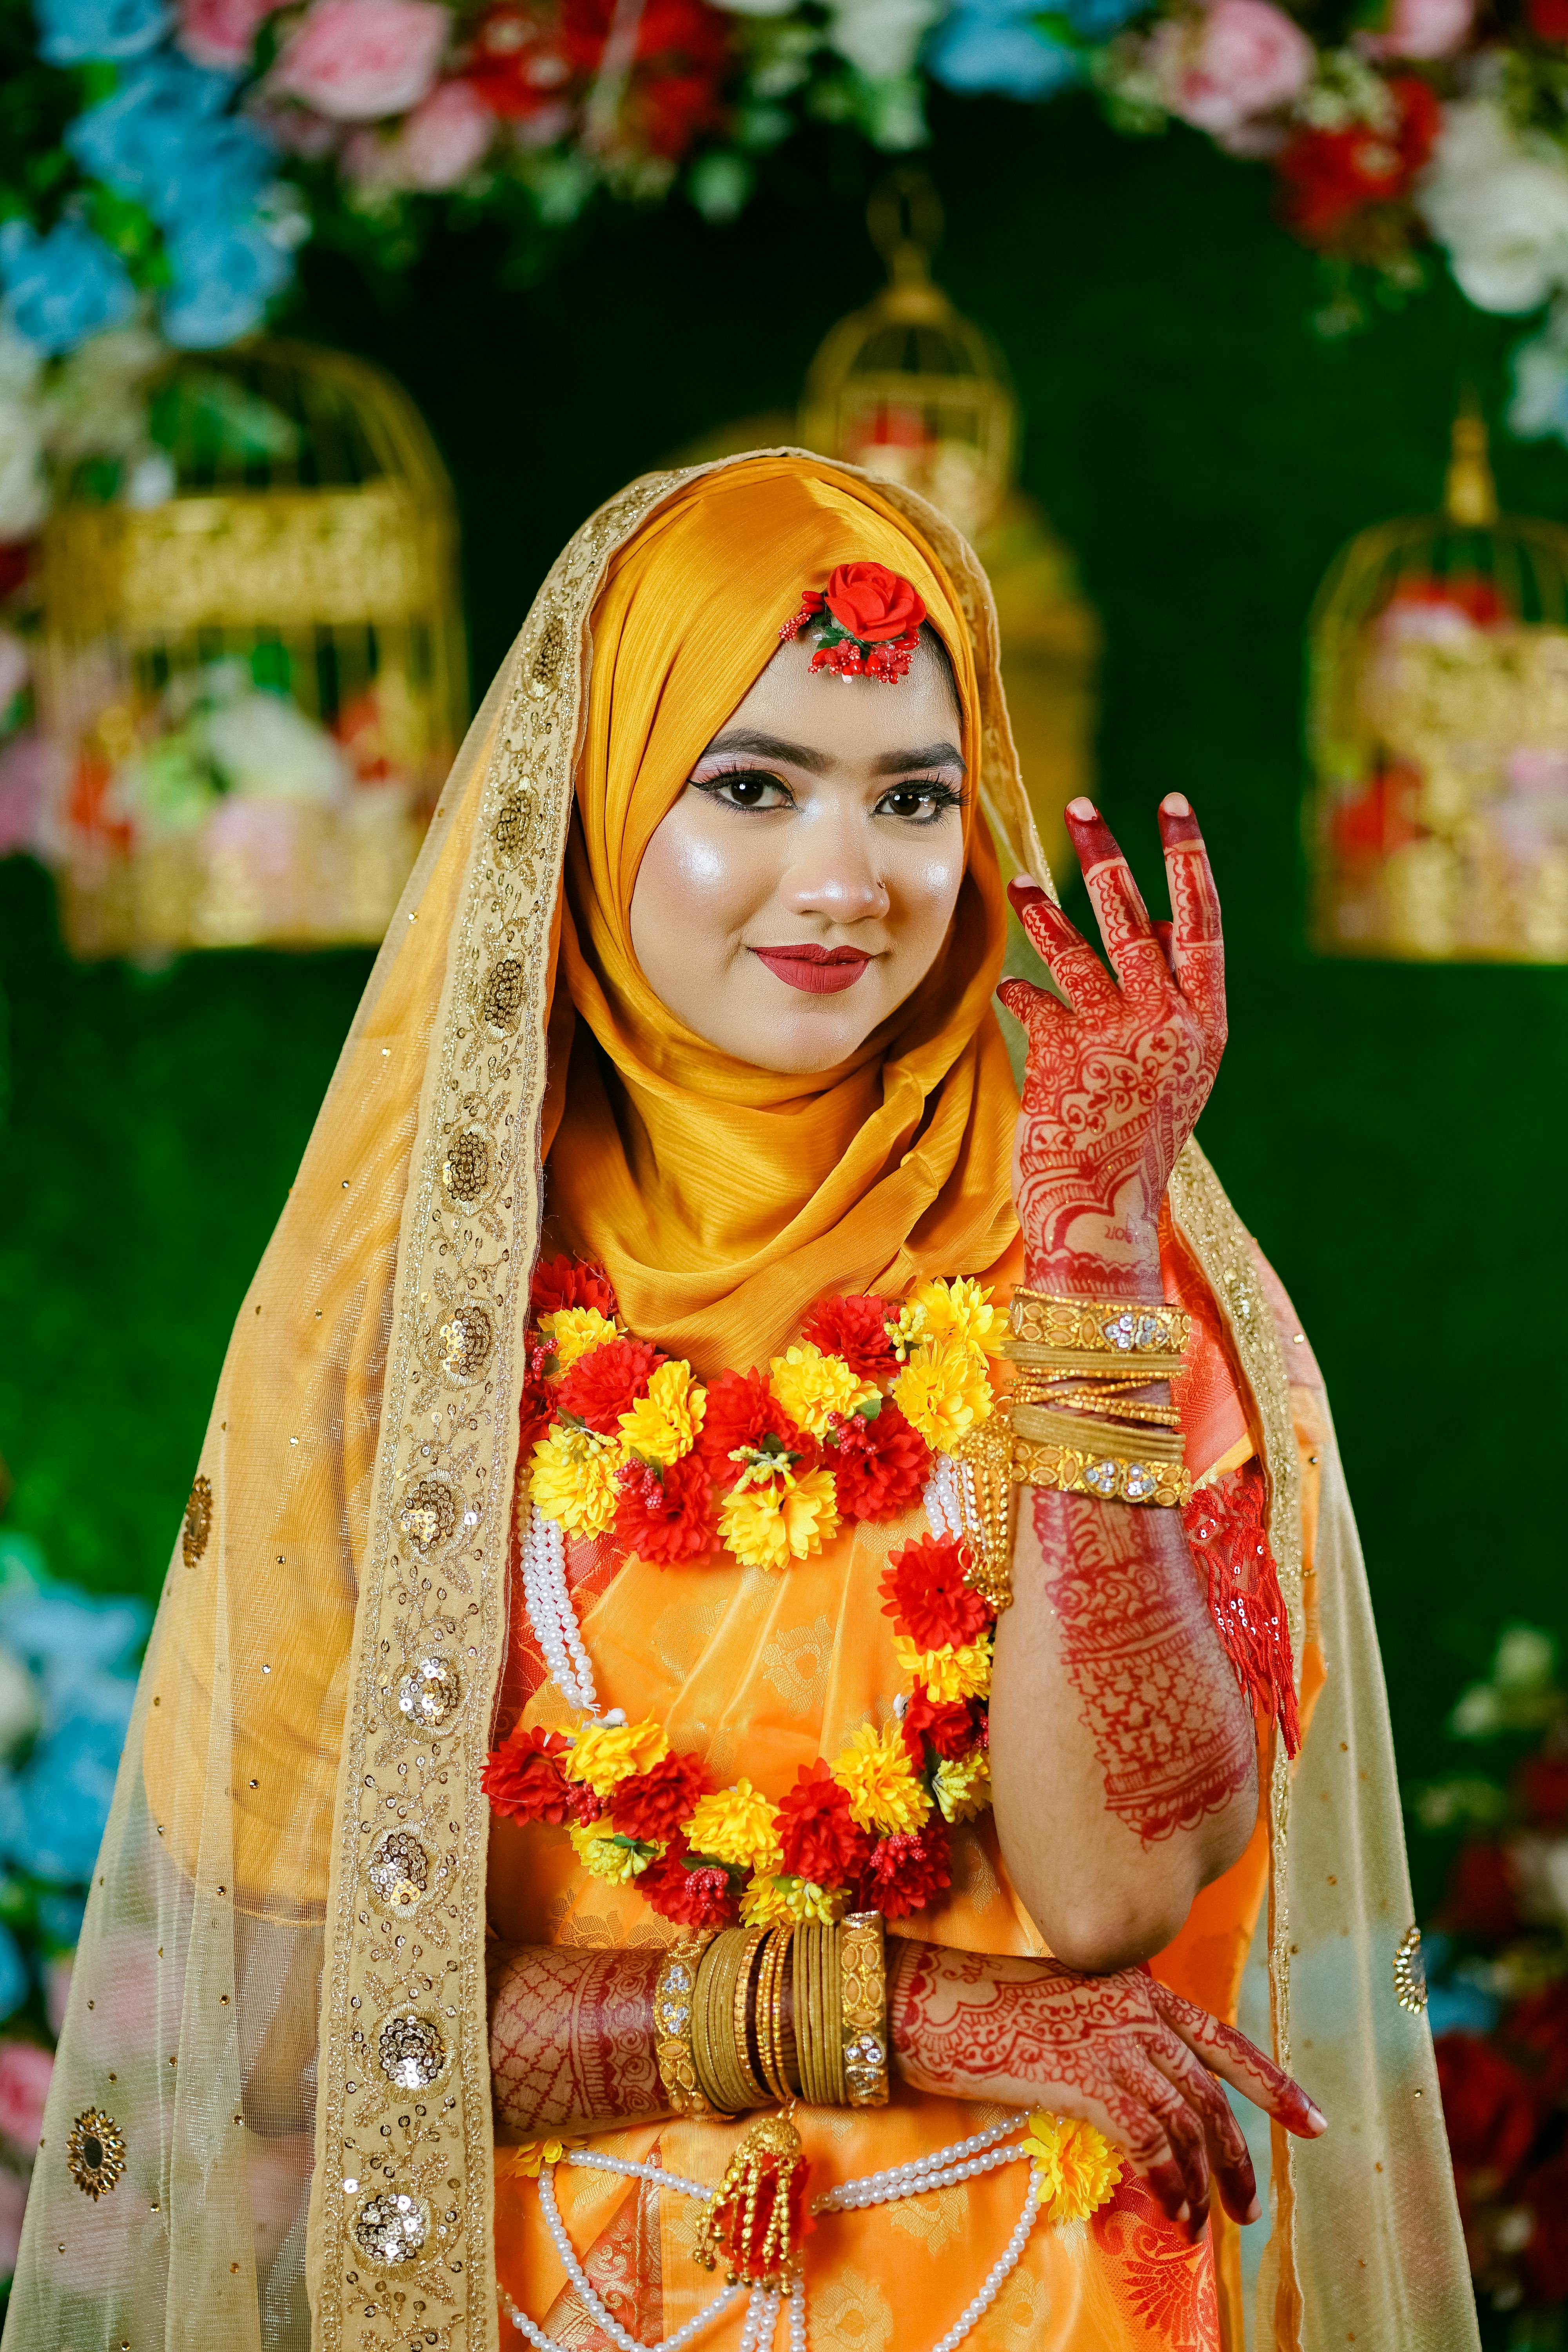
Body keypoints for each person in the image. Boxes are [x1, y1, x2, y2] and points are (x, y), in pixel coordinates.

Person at [3, 453, 1475, 2352]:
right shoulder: (415, 1317)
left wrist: (1094, 1246)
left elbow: (1113, 1896)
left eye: (914, 797)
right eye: (753, 786)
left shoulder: (1096, 1260)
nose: (847, 882)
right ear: (598, 796)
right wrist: (914, 2012)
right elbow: (277, 2028)